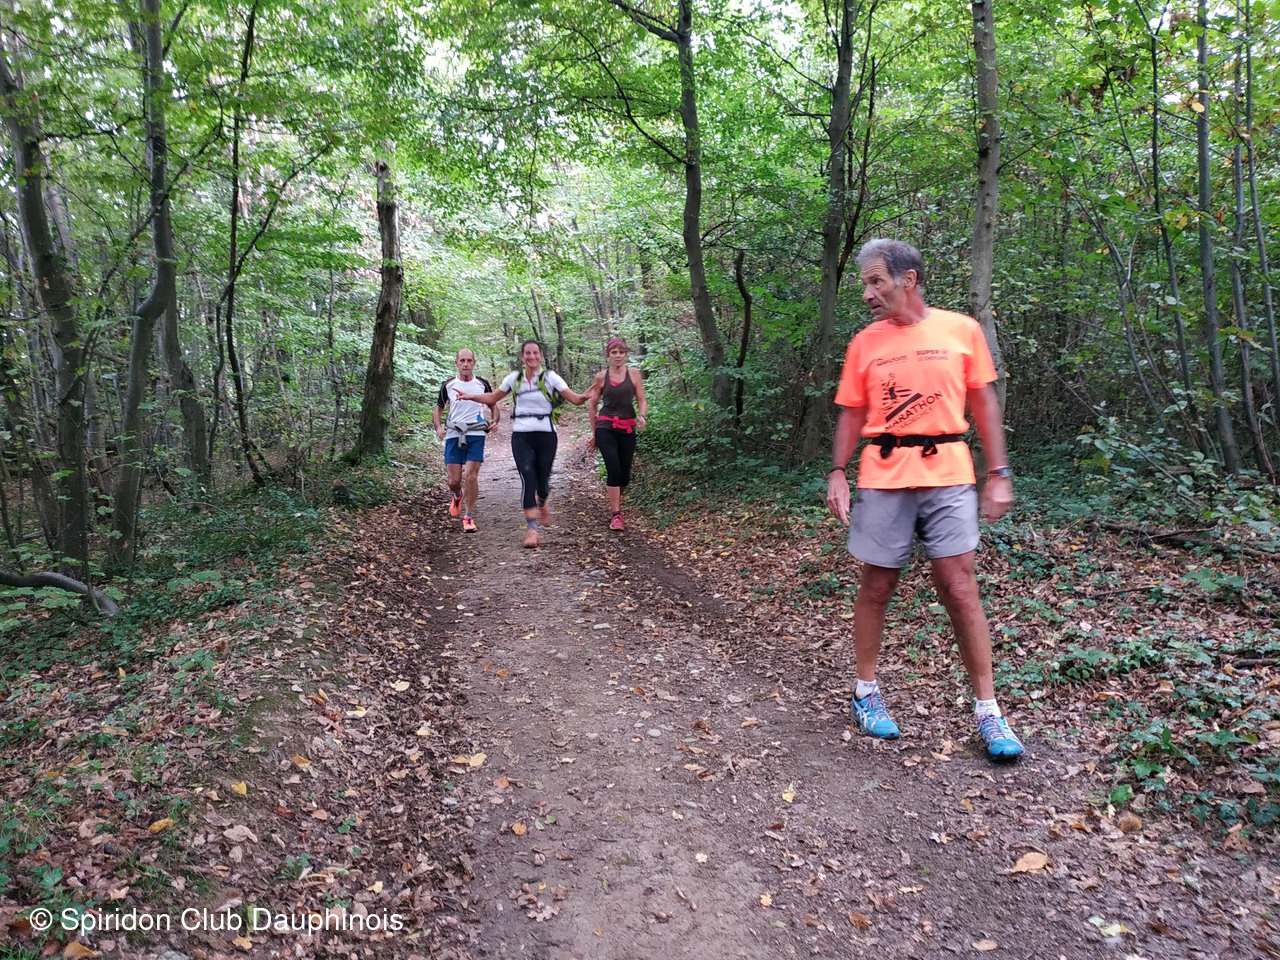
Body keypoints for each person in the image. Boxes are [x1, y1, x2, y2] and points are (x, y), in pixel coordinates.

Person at [825, 238, 1020, 763]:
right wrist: (838, 472)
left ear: (908, 280)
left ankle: (988, 710)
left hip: (948, 472)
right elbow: (851, 412)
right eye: (865, 283)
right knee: (877, 585)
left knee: (959, 587)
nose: (867, 293)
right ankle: (865, 692)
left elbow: (983, 403)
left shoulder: (961, 330)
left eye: (875, 282)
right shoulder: (865, 342)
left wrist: (998, 473)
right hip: (883, 474)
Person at [469, 340, 594, 549]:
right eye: (528, 353)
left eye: (535, 353)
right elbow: (493, 396)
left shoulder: (551, 378)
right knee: (528, 477)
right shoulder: (513, 378)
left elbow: (574, 399)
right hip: (521, 436)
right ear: (522, 356)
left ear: (541, 356)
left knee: (543, 483)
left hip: (546, 435)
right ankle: (532, 530)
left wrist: (586, 396)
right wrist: (470, 396)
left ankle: (542, 501)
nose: (532, 356)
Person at [432, 349, 499, 533]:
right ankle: (457, 494)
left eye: (469, 360)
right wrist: (438, 427)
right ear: (456, 363)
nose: (466, 364)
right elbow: (438, 409)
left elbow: (493, 405)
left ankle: (468, 516)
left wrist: (495, 421)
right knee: (454, 481)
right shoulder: (448, 385)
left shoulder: (482, 384)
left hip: (476, 433)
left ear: (474, 362)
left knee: (471, 476)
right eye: (462, 360)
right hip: (454, 433)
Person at [587, 338, 647, 531]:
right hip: (606, 427)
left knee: (624, 476)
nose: (618, 355)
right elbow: (592, 405)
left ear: (626, 354)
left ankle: (615, 501)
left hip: (627, 428)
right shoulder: (601, 377)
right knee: (613, 469)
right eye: (614, 352)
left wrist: (642, 415)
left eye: (621, 352)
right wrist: (594, 433)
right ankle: (616, 515)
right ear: (608, 355)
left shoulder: (634, 374)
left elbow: (641, 399)